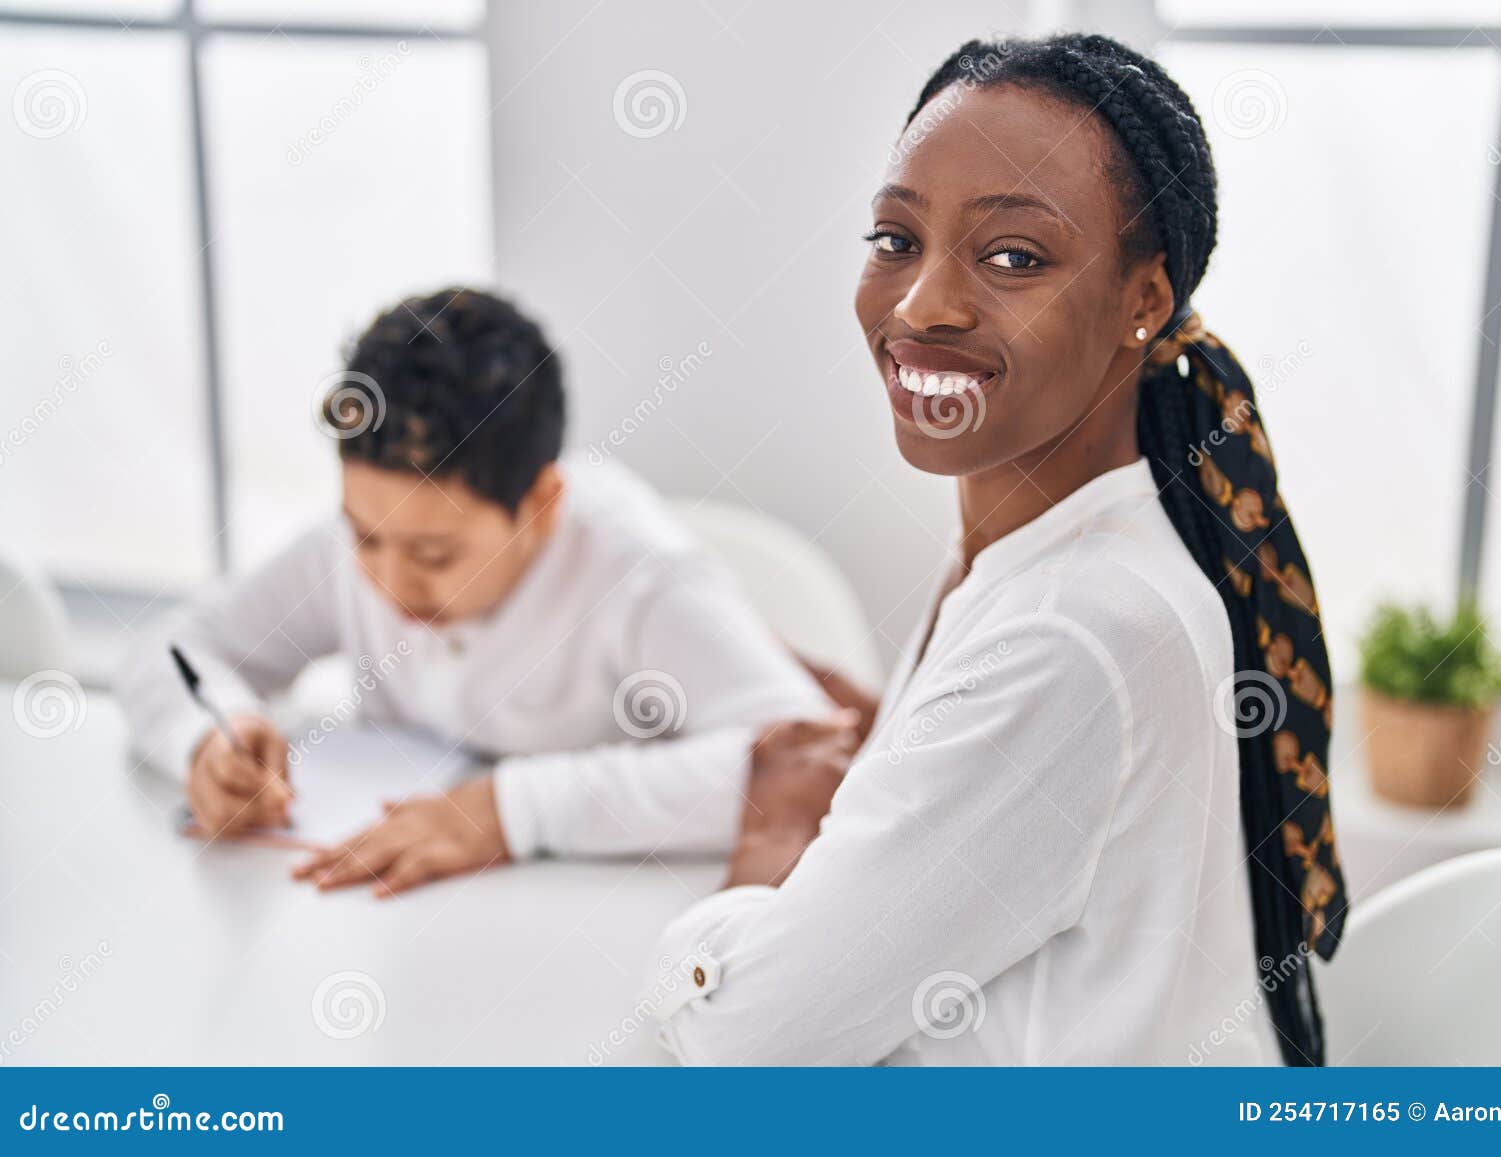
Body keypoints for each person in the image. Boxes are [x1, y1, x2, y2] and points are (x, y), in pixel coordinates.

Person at [645, 33, 1345, 1066]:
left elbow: (753, 1037)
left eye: (1013, 255)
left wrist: (768, 859)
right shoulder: (1038, 544)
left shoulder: (1075, 629)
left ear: (1143, 300)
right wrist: (905, 744)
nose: (922, 305)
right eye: (893, 238)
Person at [116, 287, 827, 895]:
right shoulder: (365, 541)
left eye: (435, 552)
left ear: (543, 502)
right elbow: (174, 645)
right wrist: (209, 734)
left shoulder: (640, 574)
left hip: (587, 931)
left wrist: (514, 811)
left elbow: (807, 762)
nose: (389, 582)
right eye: (364, 536)